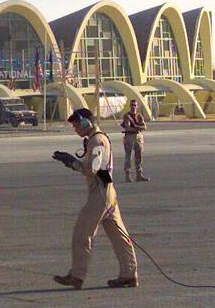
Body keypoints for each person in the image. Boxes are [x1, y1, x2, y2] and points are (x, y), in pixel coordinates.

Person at [51, 107, 139, 289]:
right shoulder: (95, 139)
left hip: (100, 192)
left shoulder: (98, 140)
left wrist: (72, 163)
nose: (76, 129)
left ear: (86, 122)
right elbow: (102, 171)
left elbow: (94, 168)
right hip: (106, 189)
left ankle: (77, 275)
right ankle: (129, 274)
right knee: (118, 235)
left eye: (76, 126)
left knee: (82, 233)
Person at [120, 99, 149, 181]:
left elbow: (144, 127)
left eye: (135, 105)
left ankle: (139, 174)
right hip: (129, 137)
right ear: (130, 106)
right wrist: (137, 127)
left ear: (137, 106)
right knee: (128, 156)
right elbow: (128, 127)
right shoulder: (127, 116)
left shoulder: (139, 116)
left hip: (138, 137)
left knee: (139, 156)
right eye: (132, 105)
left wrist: (135, 127)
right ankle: (128, 175)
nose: (133, 107)